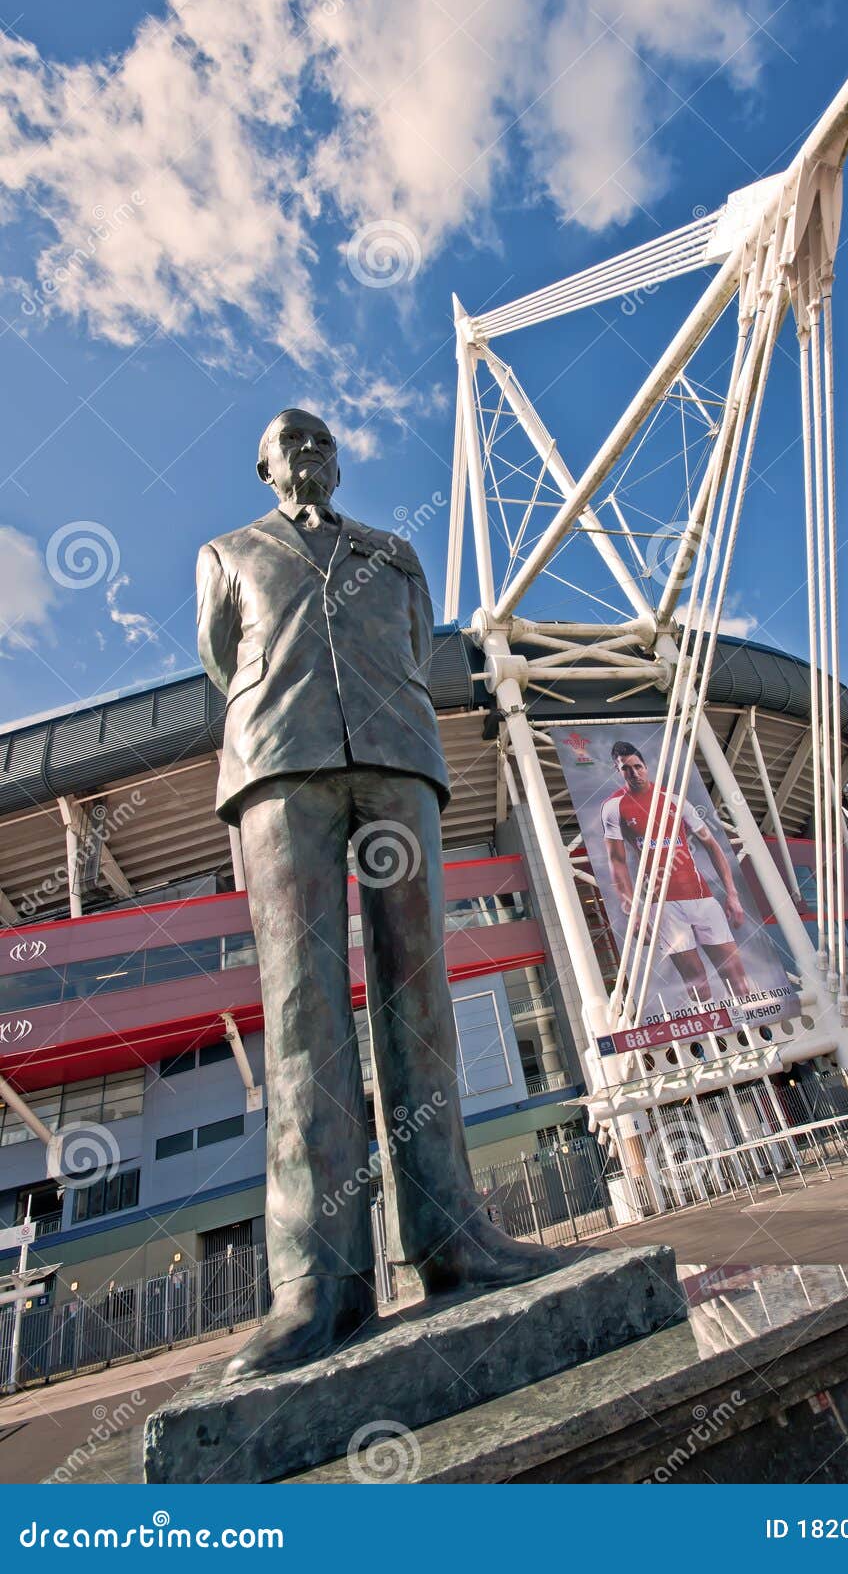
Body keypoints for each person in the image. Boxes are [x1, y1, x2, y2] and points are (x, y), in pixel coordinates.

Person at [196, 408, 562, 1380]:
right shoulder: (226, 552)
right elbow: (223, 661)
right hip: (279, 765)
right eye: (291, 444)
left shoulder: (392, 552)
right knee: (301, 1010)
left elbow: (413, 644)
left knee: (421, 997)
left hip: (396, 755)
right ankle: (315, 1287)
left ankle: (455, 1240)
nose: (310, 456)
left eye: (322, 441)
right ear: (264, 464)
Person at [601, 740, 753, 1008]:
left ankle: (759, 1029)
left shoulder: (674, 799)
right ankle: (718, 1037)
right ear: (618, 771)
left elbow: (712, 845)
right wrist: (633, 911)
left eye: (638, 766)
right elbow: (617, 861)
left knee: (737, 978)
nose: (634, 773)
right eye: (626, 769)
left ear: (646, 768)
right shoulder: (613, 807)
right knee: (697, 982)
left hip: (701, 897)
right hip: (663, 906)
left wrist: (732, 894)